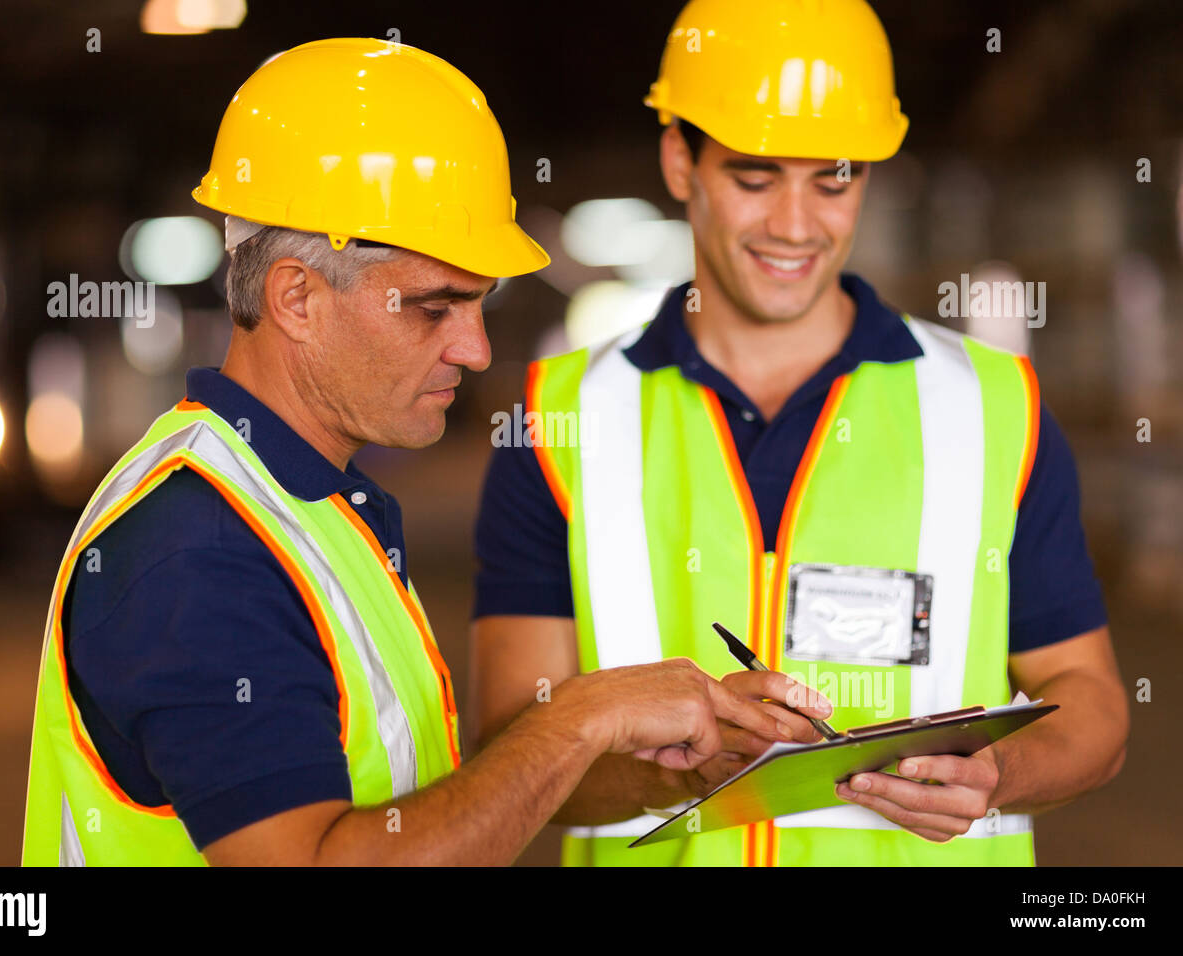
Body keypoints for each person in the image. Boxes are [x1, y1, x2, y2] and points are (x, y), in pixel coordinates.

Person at [20, 37, 828, 867]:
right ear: (296, 296)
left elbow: (415, 813)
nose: (475, 351)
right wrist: (580, 718)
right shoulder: (199, 553)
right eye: (434, 308)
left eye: (479, 305)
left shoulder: (307, 506)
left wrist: (684, 761)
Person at [471, 0, 1129, 866]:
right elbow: (513, 747)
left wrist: (999, 775)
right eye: (755, 175)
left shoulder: (992, 405)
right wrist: (688, 769)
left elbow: (1090, 702)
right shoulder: (559, 418)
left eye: (835, 178)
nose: (795, 223)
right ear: (680, 159)